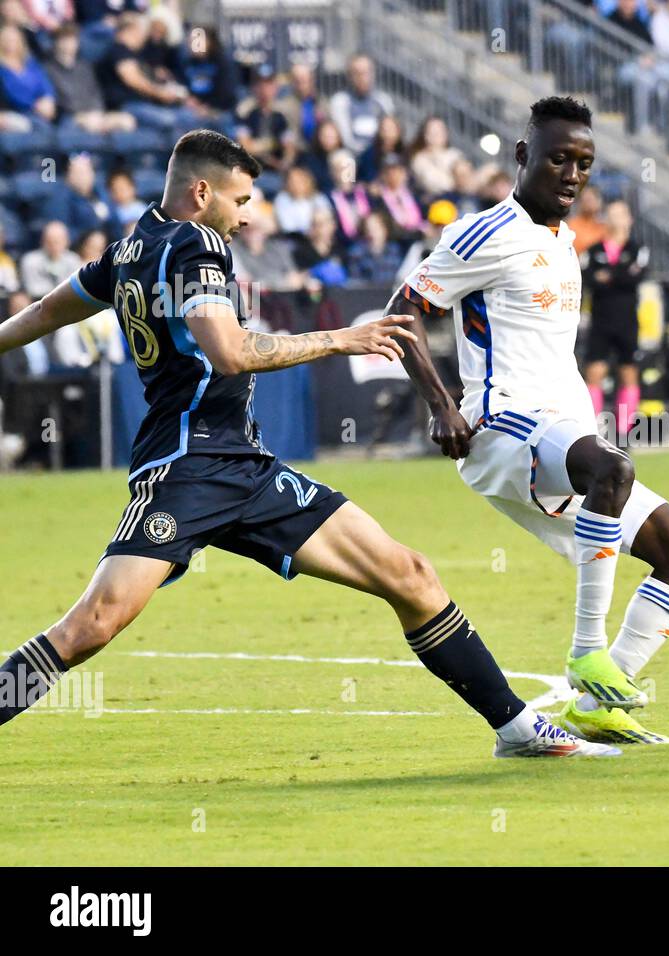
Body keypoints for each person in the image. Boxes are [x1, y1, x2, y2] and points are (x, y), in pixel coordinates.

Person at [0, 130, 611, 756]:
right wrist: (342, 338)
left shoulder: (130, 249)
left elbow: (48, 310)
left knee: (408, 573)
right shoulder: (196, 243)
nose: (244, 218)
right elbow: (231, 352)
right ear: (202, 191)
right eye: (239, 201)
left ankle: (516, 729)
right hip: (186, 467)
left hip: (246, 467)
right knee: (92, 625)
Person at [387, 96, 669, 748]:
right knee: (612, 465)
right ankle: (587, 651)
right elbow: (400, 314)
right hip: (499, 426)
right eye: (559, 159)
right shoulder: (484, 231)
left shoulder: (566, 241)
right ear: (522, 157)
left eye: (584, 164)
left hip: (560, 431)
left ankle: (599, 698)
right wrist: (440, 404)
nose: (571, 174)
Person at [582, 199, 649, 439]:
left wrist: (608, 276)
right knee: (594, 372)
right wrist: (618, 275)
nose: (616, 219)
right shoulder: (594, 250)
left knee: (628, 372)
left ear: (629, 218)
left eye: (621, 214)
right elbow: (588, 278)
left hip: (627, 320)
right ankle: (593, 430)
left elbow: (635, 277)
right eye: (611, 214)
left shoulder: (637, 249)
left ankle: (624, 432)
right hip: (600, 320)